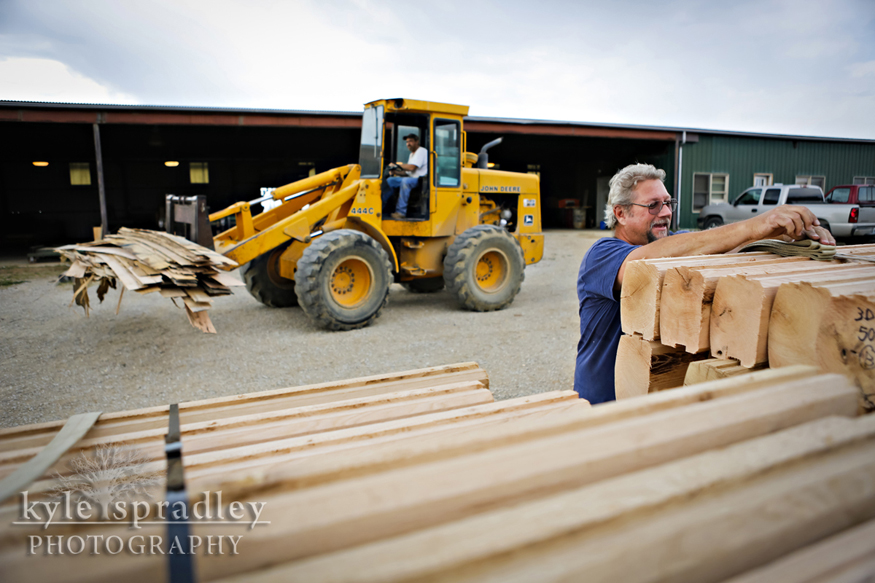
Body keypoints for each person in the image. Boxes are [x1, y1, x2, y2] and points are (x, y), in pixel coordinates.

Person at [574, 163, 835, 405]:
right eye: (653, 205)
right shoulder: (602, 255)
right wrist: (757, 224)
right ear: (621, 213)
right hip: (603, 403)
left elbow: (725, 248)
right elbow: (646, 262)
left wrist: (782, 236)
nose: (665, 212)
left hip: (653, 395)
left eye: (668, 203)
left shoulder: (680, 242)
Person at [383, 133, 428, 219]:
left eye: (410, 141)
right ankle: (381, 205)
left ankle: (401, 212)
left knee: (405, 181)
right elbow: (407, 173)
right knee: (391, 180)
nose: (408, 144)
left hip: (420, 180)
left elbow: (411, 167)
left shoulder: (422, 151)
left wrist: (396, 165)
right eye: (407, 142)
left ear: (417, 141)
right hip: (412, 178)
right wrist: (395, 171)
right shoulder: (412, 154)